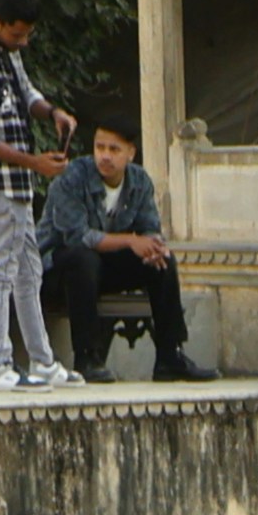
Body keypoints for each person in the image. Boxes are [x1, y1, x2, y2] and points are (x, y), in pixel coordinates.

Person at [0, 0, 75, 389]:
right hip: (0, 181)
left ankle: (41, 360)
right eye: (16, 34)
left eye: (27, 36)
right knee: (1, 269)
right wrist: (34, 163)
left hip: (22, 182)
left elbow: (26, 94)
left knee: (29, 271)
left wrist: (53, 112)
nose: (22, 42)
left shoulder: (8, 54)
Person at [44, 119, 206, 379]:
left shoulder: (139, 181)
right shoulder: (73, 176)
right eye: (100, 147)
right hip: (57, 270)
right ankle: (87, 357)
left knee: (162, 261)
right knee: (84, 258)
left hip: (99, 270)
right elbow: (77, 237)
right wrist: (130, 241)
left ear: (131, 152)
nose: (105, 156)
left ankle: (170, 355)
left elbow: (149, 226)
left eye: (114, 149)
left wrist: (153, 246)